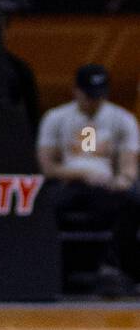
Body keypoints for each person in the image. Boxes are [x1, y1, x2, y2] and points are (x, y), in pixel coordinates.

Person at [37, 64, 140, 294]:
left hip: (106, 186)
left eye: (99, 96)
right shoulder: (56, 117)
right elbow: (47, 166)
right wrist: (81, 174)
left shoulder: (122, 119)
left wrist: (123, 179)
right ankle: (48, 272)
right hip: (68, 183)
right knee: (41, 204)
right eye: (89, 96)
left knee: (133, 201)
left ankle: (115, 267)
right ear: (77, 91)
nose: (94, 102)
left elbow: (128, 164)